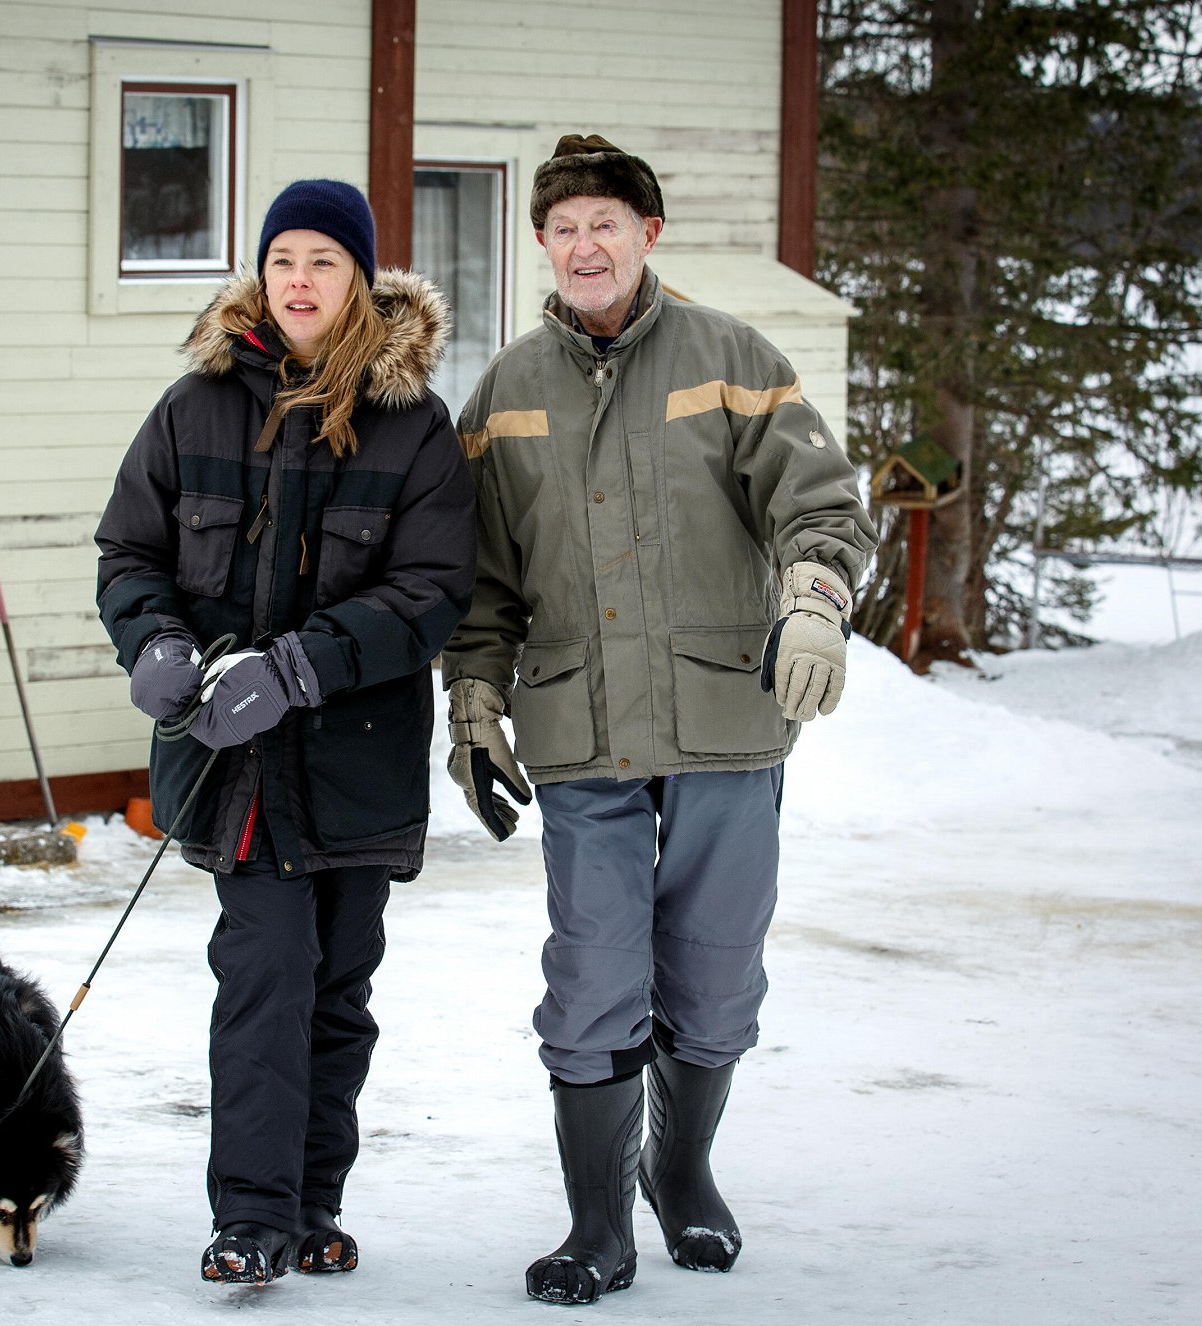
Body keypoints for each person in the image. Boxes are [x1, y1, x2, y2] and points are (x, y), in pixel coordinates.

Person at [440, 134, 877, 1305]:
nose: (587, 245)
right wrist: (475, 703)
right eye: (565, 227)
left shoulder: (733, 358)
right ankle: (597, 1224)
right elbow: (480, 584)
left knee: (718, 972)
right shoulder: (504, 394)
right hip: (581, 734)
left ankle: (680, 1173)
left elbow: (818, 506)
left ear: (648, 235)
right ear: (543, 242)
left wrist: (817, 607)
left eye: (608, 225)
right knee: (593, 978)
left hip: (729, 715)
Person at [95, 179, 476, 1285]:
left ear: (360, 277)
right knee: (265, 976)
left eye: (322, 260)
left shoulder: (414, 426)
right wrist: (155, 645)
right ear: (260, 273)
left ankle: (315, 1205)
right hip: (237, 767)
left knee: (337, 990)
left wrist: (304, 665)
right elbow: (131, 554)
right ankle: (251, 1218)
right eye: (283, 259)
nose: (299, 280)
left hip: (354, 768)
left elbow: (432, 590)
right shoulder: (195, 406)